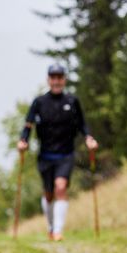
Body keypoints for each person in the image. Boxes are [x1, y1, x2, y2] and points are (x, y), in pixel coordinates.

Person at [17, 63, 98, 241]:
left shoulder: (72, 101)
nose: (56, 81)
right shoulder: (39, 102)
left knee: (60, 187)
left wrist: (89, 138)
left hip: (66, 154)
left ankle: (58, 231)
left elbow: (83, 124)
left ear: (64, 79)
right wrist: (23, 141)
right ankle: (51, 226)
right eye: (53, 77)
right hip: (45, 155)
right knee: (48, 193)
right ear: (48, 79)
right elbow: (28, 125)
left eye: (59, 77)